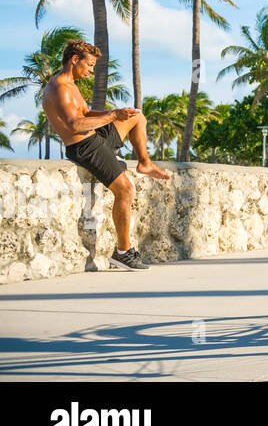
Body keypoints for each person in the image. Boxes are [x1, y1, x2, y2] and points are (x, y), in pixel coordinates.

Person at [41, 40, 171, 271]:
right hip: (85, 147)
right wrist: (111, 116)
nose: (91, 70)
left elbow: (86, 113)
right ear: (74, 60)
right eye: (89, 64)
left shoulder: (71, 84)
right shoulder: (59, 88)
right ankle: (123, 252)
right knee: (125, 189)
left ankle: (145, 163)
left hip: (96, 136)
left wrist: (118, 114)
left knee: (137, 117)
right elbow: (75, 126)